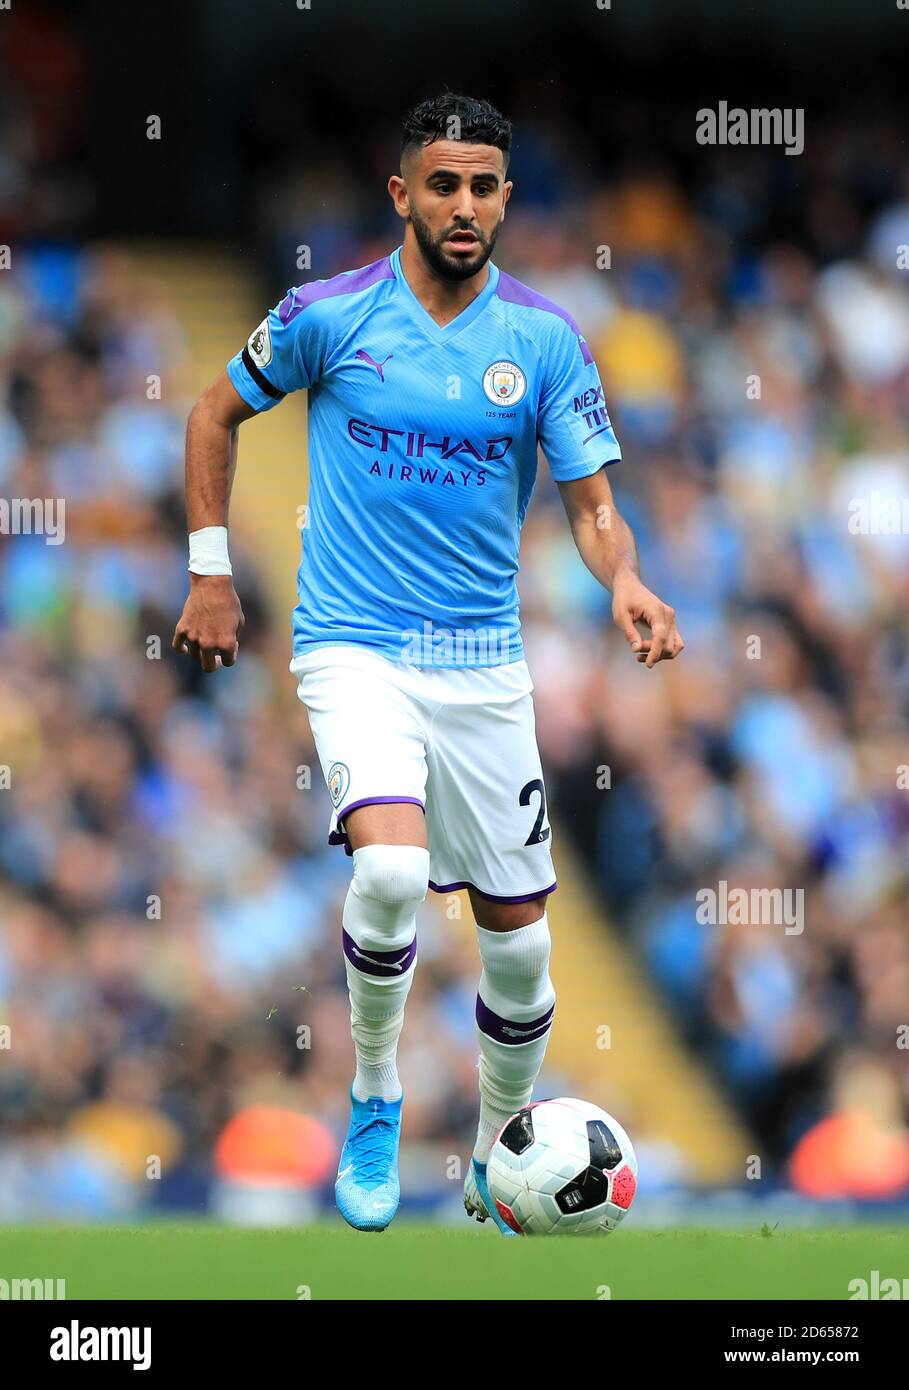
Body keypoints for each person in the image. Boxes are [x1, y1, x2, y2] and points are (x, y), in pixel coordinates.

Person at [173, 92, 684, 1233]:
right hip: (355, 646)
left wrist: (628, 581)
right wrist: (211, 570)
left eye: (485, 185)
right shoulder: (330, 314)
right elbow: (213, 415)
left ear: (507, 197)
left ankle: (501, 1142)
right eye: (442, 184)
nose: (464, 205)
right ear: (400, 193)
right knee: (394, 877)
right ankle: (374, 1092)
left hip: (485, 670)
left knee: (524, 951)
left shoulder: (543, 340)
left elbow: (593, 507)